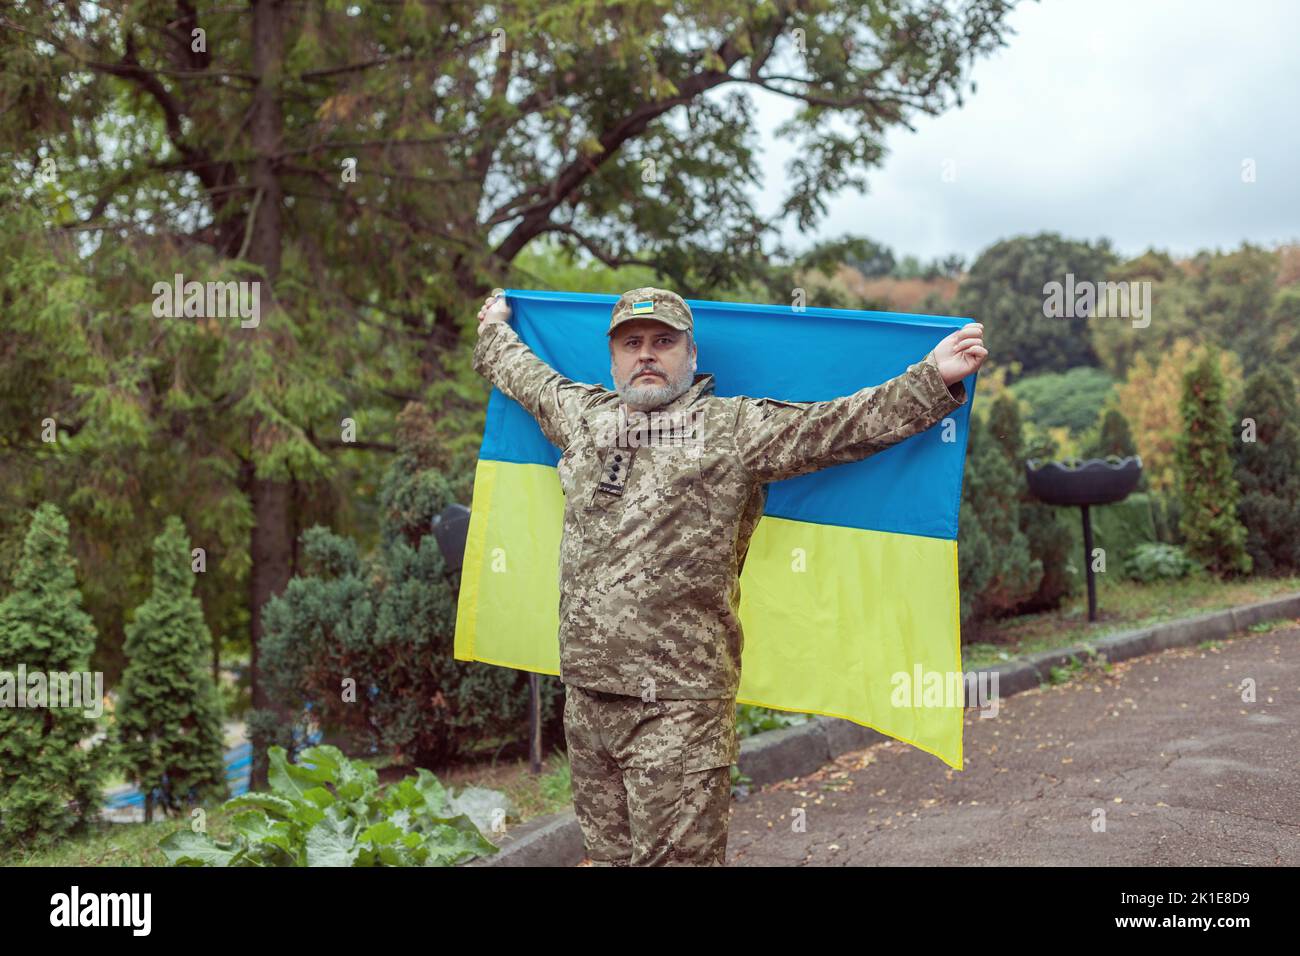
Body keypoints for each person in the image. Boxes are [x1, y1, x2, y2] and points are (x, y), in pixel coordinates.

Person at [472, 286, 987, 866]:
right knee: (608, 861)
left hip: (680, 704)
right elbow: (526, 376)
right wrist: (494, 327)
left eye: (663, 342)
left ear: (690, 356)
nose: (647, 355)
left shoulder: (733, 429)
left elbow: (837, 425)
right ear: (612, 360)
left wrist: (932, 378)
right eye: (632, 344)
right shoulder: (586, 418)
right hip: (589, 699)